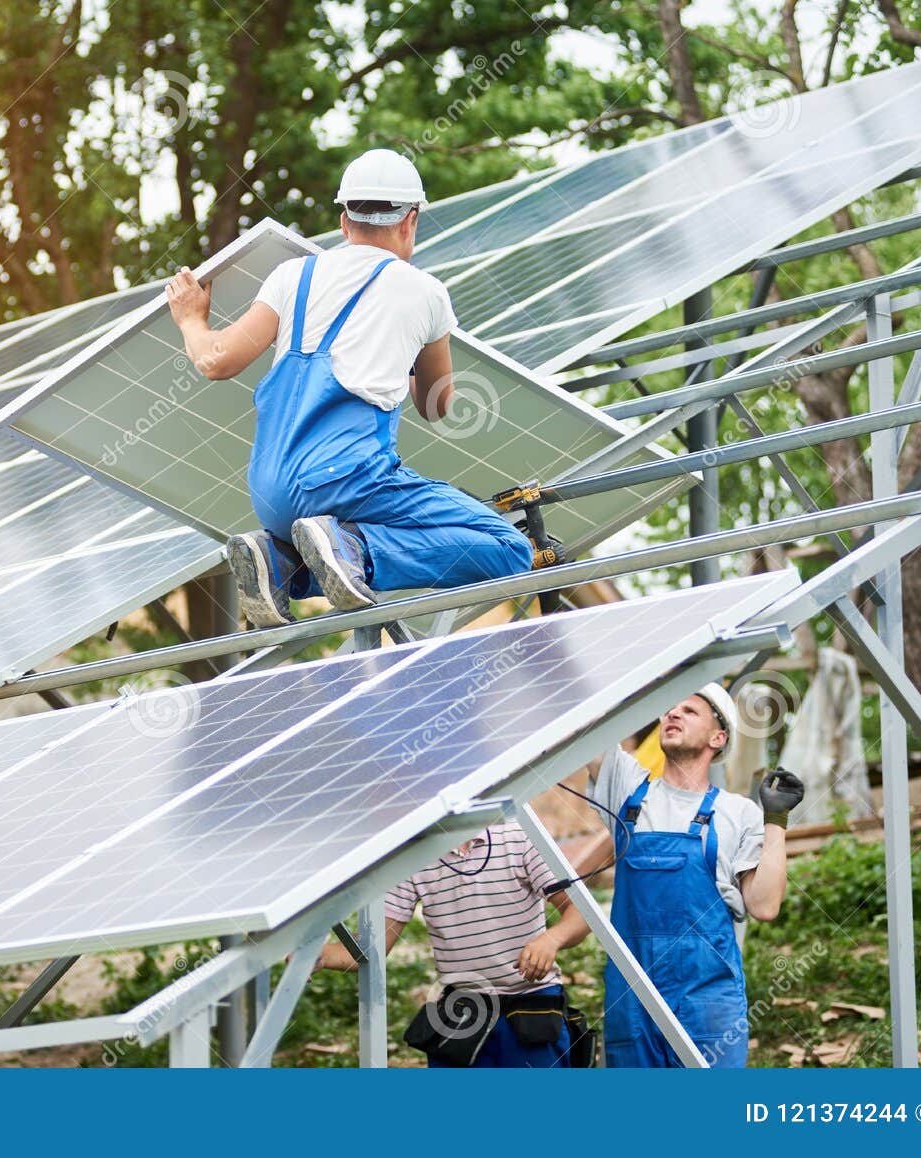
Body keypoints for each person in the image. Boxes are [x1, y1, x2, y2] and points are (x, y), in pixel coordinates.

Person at [164, 148, 532, 629]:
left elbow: (217, 361)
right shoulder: (424, 293)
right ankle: (353, 548)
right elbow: (437, 405)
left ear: (344, 221)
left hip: (270, 491)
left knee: (330, 541)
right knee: (509, 548)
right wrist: (404, 355)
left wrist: (192, 319)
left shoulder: (293, 276)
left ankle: (280, 564)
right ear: (410, 221)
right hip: (347, 482)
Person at [572, 682, 805, 1068]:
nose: (672, 713)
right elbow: (585, 720)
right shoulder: (628, 792)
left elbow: (764, 905)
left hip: (706, 1002)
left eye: (690, 710)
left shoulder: (739, 812)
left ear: (719, 737)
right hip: (632, 997)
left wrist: (776, 820)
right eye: (669, 709)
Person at [313, 823, 592, 1068]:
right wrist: (321, 956)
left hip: (532, 1006)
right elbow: (371, 948)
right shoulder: (413, 858)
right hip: (464, 1010)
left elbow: (582, 915)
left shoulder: (519, 837)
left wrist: (551, 939)